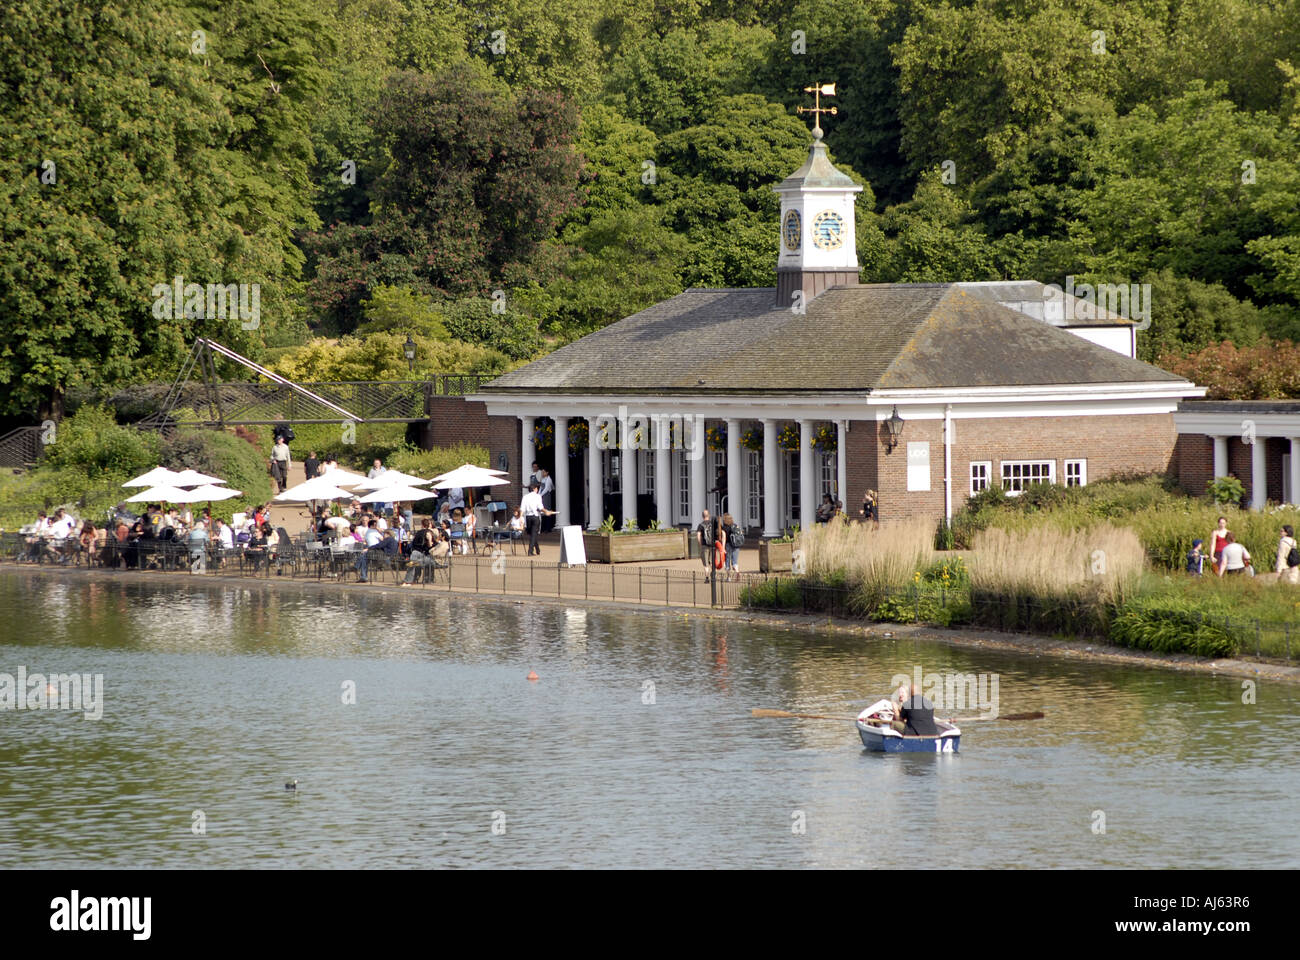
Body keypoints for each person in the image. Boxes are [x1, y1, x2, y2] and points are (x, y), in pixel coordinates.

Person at [520, 483, 553, 556]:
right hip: (535, 517)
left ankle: (537, 549)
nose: (537, 490)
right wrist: (547, 511)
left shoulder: (525, 497)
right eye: (537, 488)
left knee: (532, 534)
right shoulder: (538, 496)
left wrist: (520, 518)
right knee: (533, 534)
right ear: (534, 489)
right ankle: (530, 551)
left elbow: (522, 508)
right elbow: (540, 507)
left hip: (528, 517)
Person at [722, 512, 741, 580]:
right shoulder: (735, 526)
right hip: (736, 545)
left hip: (728, 545)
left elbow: (724, 538)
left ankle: (729, 577)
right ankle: (737, 571)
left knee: (727, 561)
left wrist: (723, 548)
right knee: (735, 561)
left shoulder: (724, 528)